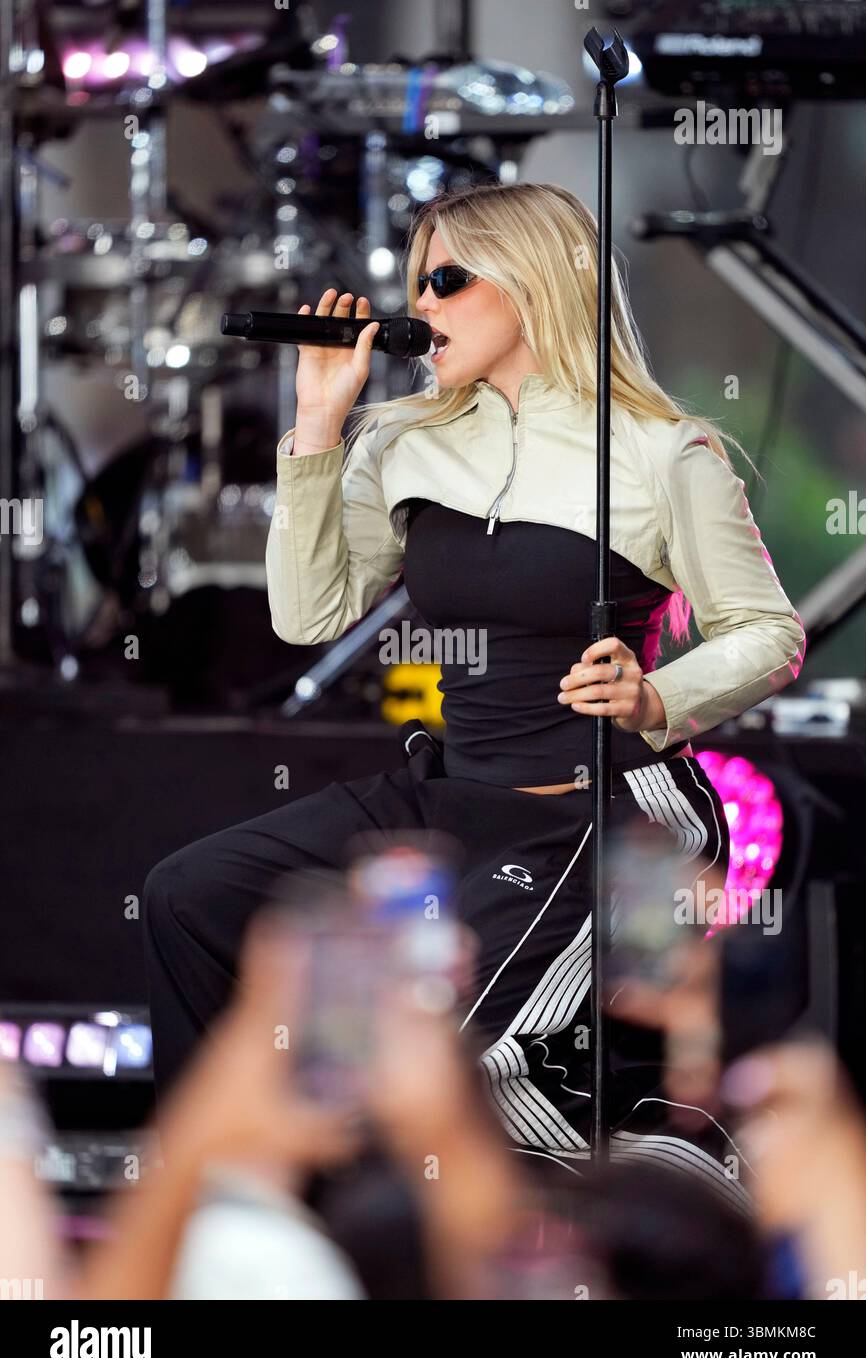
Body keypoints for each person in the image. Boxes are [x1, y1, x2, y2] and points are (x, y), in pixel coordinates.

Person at [143, 182, 805, 1193]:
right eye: (414, 282)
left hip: (595, 814)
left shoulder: (659, 452)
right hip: (445, 796)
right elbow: (307, 615)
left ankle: (665, 1179)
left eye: (446, 280)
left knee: (460, 1070)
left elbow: (766, 631)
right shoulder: (402, 442)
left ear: (534, 284)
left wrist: (653, 696)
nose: (420, 304)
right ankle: (242, 1208)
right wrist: (316, 427)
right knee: (187, 896)